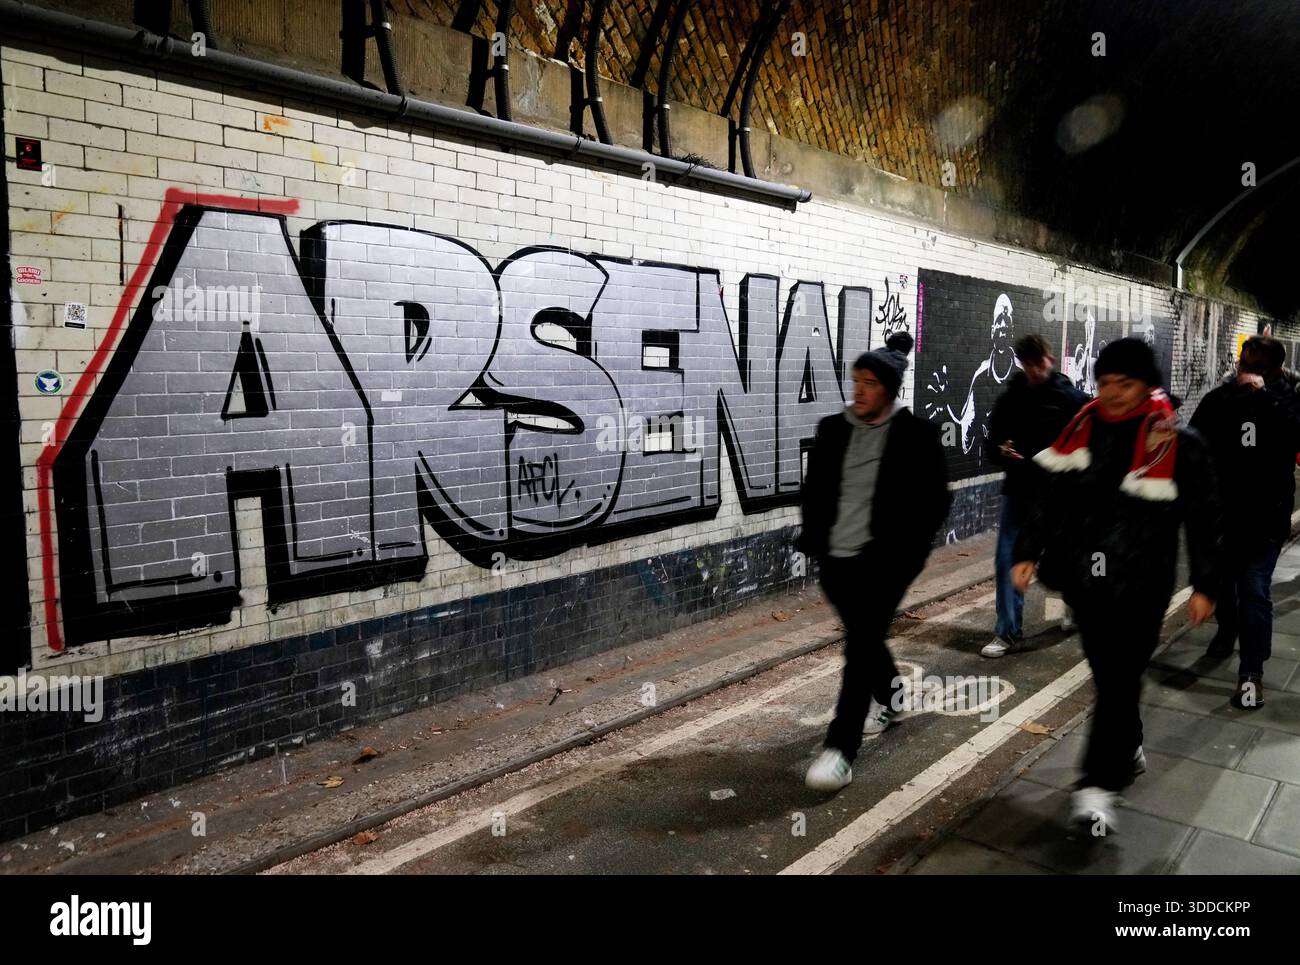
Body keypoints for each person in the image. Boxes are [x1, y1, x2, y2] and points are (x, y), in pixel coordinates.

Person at [1012, 338, 1223, 833]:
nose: (1111, 393)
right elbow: (1050, 497)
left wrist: (1206, 584)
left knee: (1118, 681)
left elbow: (1204, 517)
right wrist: (1027, 550)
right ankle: (1127, 744)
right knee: (1113, 680)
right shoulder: (1082, 432)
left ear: (1146, 385)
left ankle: (1095, 785)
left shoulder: (1178, 443)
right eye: (1104, 383)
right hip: (1089, 581)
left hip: (1144, 585)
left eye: (1123, 384)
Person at [797, 332, 952, 793]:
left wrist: (910, 552)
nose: (859, 389)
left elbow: (935, 502)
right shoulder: (833, 429)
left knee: (859, 647)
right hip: (836, 559)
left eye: (869, 381)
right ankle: (892, 694)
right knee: (865, 639)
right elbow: (816, 492)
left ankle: (841, 749)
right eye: (857, 380)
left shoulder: (916, 435)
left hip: (887, 563)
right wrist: (818, 542)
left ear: (888, 388)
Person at [1189, 336, 1300, 709]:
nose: (1245, 373)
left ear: (1275, 370)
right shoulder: (1222, 398)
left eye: (1255, 368)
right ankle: (1227, 629)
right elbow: (1195, 438)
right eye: (1243, 364)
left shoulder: (1287, 399)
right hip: (1224, 517)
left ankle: (1251, 673)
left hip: (1266, 520)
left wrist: (1264, 398)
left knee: (1254, 590)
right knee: (1225, 584)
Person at [983, 334, 1087, 657]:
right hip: (1019, 492)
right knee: (1006, 561)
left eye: (1037, 364)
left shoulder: (1072, 400)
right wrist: (1001, 450)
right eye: (1027, 365)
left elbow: (1090, 442)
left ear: (1050, 360)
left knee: (1063, 560)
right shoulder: (1011, 399)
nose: (1033, 371)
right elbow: (992, 442)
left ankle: (1072, 605)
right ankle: (1007, 631)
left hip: (1059, 497)